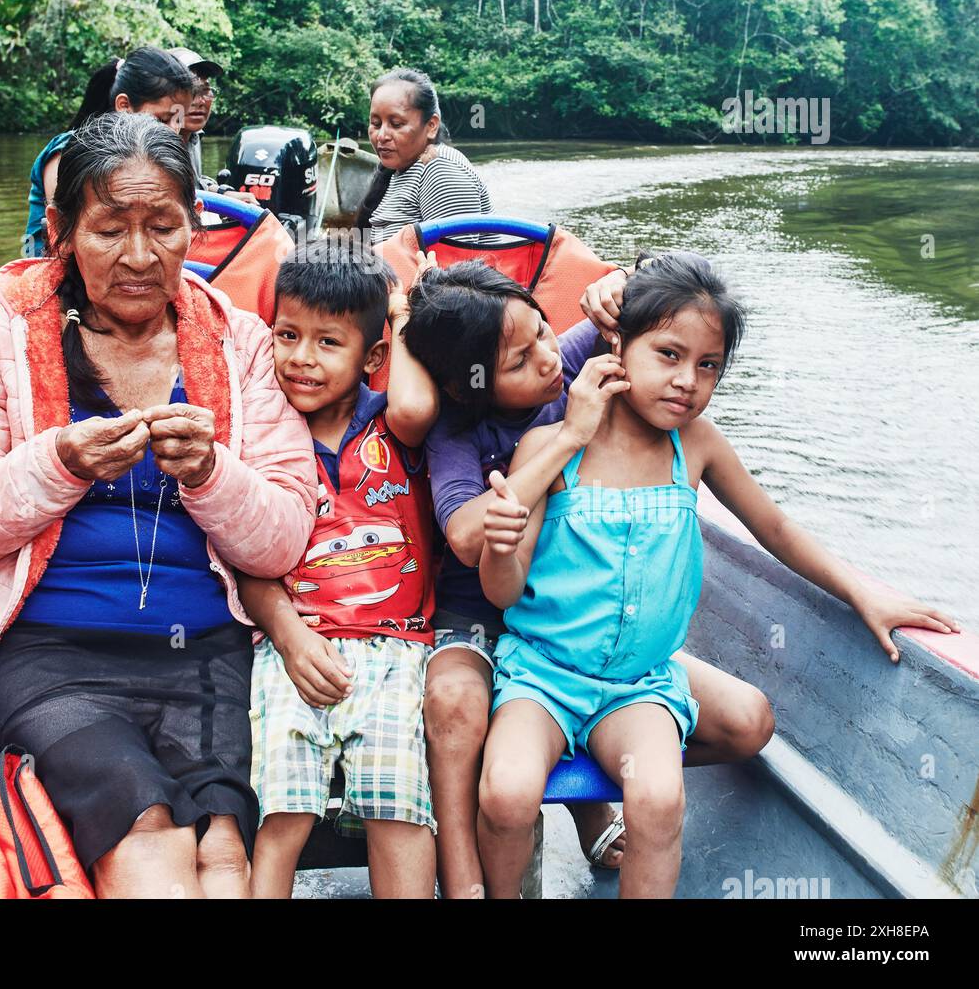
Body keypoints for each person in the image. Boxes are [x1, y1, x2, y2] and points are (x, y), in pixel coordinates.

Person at [0, 112, 317, 899]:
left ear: (193, 228)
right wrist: (54, 464)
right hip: (42, 652)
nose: (137, 256)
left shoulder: (242, 345)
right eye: (108, 229)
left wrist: (210, 473)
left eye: (163, 226)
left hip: (203, 649)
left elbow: (283, 540)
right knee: (146, 842)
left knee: (223, 854)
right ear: (60, 232)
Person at [474, 252, 959, 898]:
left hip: (636, 683)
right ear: (617, 343)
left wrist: (860, 592)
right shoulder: (551, 446)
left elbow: (776, 530)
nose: (687, 382)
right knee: (506, 794)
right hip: (543, 673)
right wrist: (500, 547)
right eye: (669, 355)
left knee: (658, 799)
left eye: (708, 366)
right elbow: (501, 593)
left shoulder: (695, 445)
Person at [399, 260, 776, 897]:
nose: (549, 361)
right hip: (499, 620)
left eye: (545, 334)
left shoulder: (558, 363)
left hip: (598, 634)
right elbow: (474, 544)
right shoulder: (460, 431)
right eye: (520, 362)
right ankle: (473, 883)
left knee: (697, 752)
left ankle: (593, 793)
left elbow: (631, 318)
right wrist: (570, 433)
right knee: (480, 743)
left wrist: (616, 284)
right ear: (472, 385)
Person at [238, 239, 443, 898]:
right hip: (292, 644)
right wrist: (293, 640)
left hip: (398, 644)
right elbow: (245, 557)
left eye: (329, 343)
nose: (300, 359)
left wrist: (403, 315)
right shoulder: (263, 434)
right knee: (282, 810)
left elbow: (413, 405)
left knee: (396, 801)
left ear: (373, 357)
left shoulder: (396, 427)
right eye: (287, 335)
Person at [22, 45, 196, 256]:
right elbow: (64, 239)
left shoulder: (149, 155)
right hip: (54, 266)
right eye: (162, 119)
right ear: (123, 105)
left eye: (178, 120)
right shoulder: (68, 152)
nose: (173, 131)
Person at [353, 68, 491, 244]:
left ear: (431, 126)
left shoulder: (441, 169)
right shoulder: (396, 171)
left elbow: (456, 267)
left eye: (396, 124)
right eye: (376, 123)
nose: (381, 135)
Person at [167, 46, 225, 190]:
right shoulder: (149, 144)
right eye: (189, 91)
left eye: (205, 90)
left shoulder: (193, 135)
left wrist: (221, 191)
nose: (199, 101)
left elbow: (193, 183)